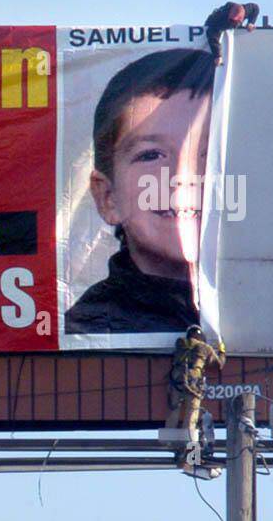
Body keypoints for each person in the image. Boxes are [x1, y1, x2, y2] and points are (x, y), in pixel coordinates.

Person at [65, 48, 215, 335]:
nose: (182, 176)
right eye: (151, 156)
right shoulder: (87, 331)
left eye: (209, 153)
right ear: (107, 197)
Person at [165, 325, 225, 470]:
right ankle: (188, 450)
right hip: (193, 385)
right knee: (191, 417)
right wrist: (222, 350)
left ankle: (169, 443)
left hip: (177, 382)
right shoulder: (205, 348)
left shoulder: (179, 343)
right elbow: (219, 365)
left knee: (174, 411)